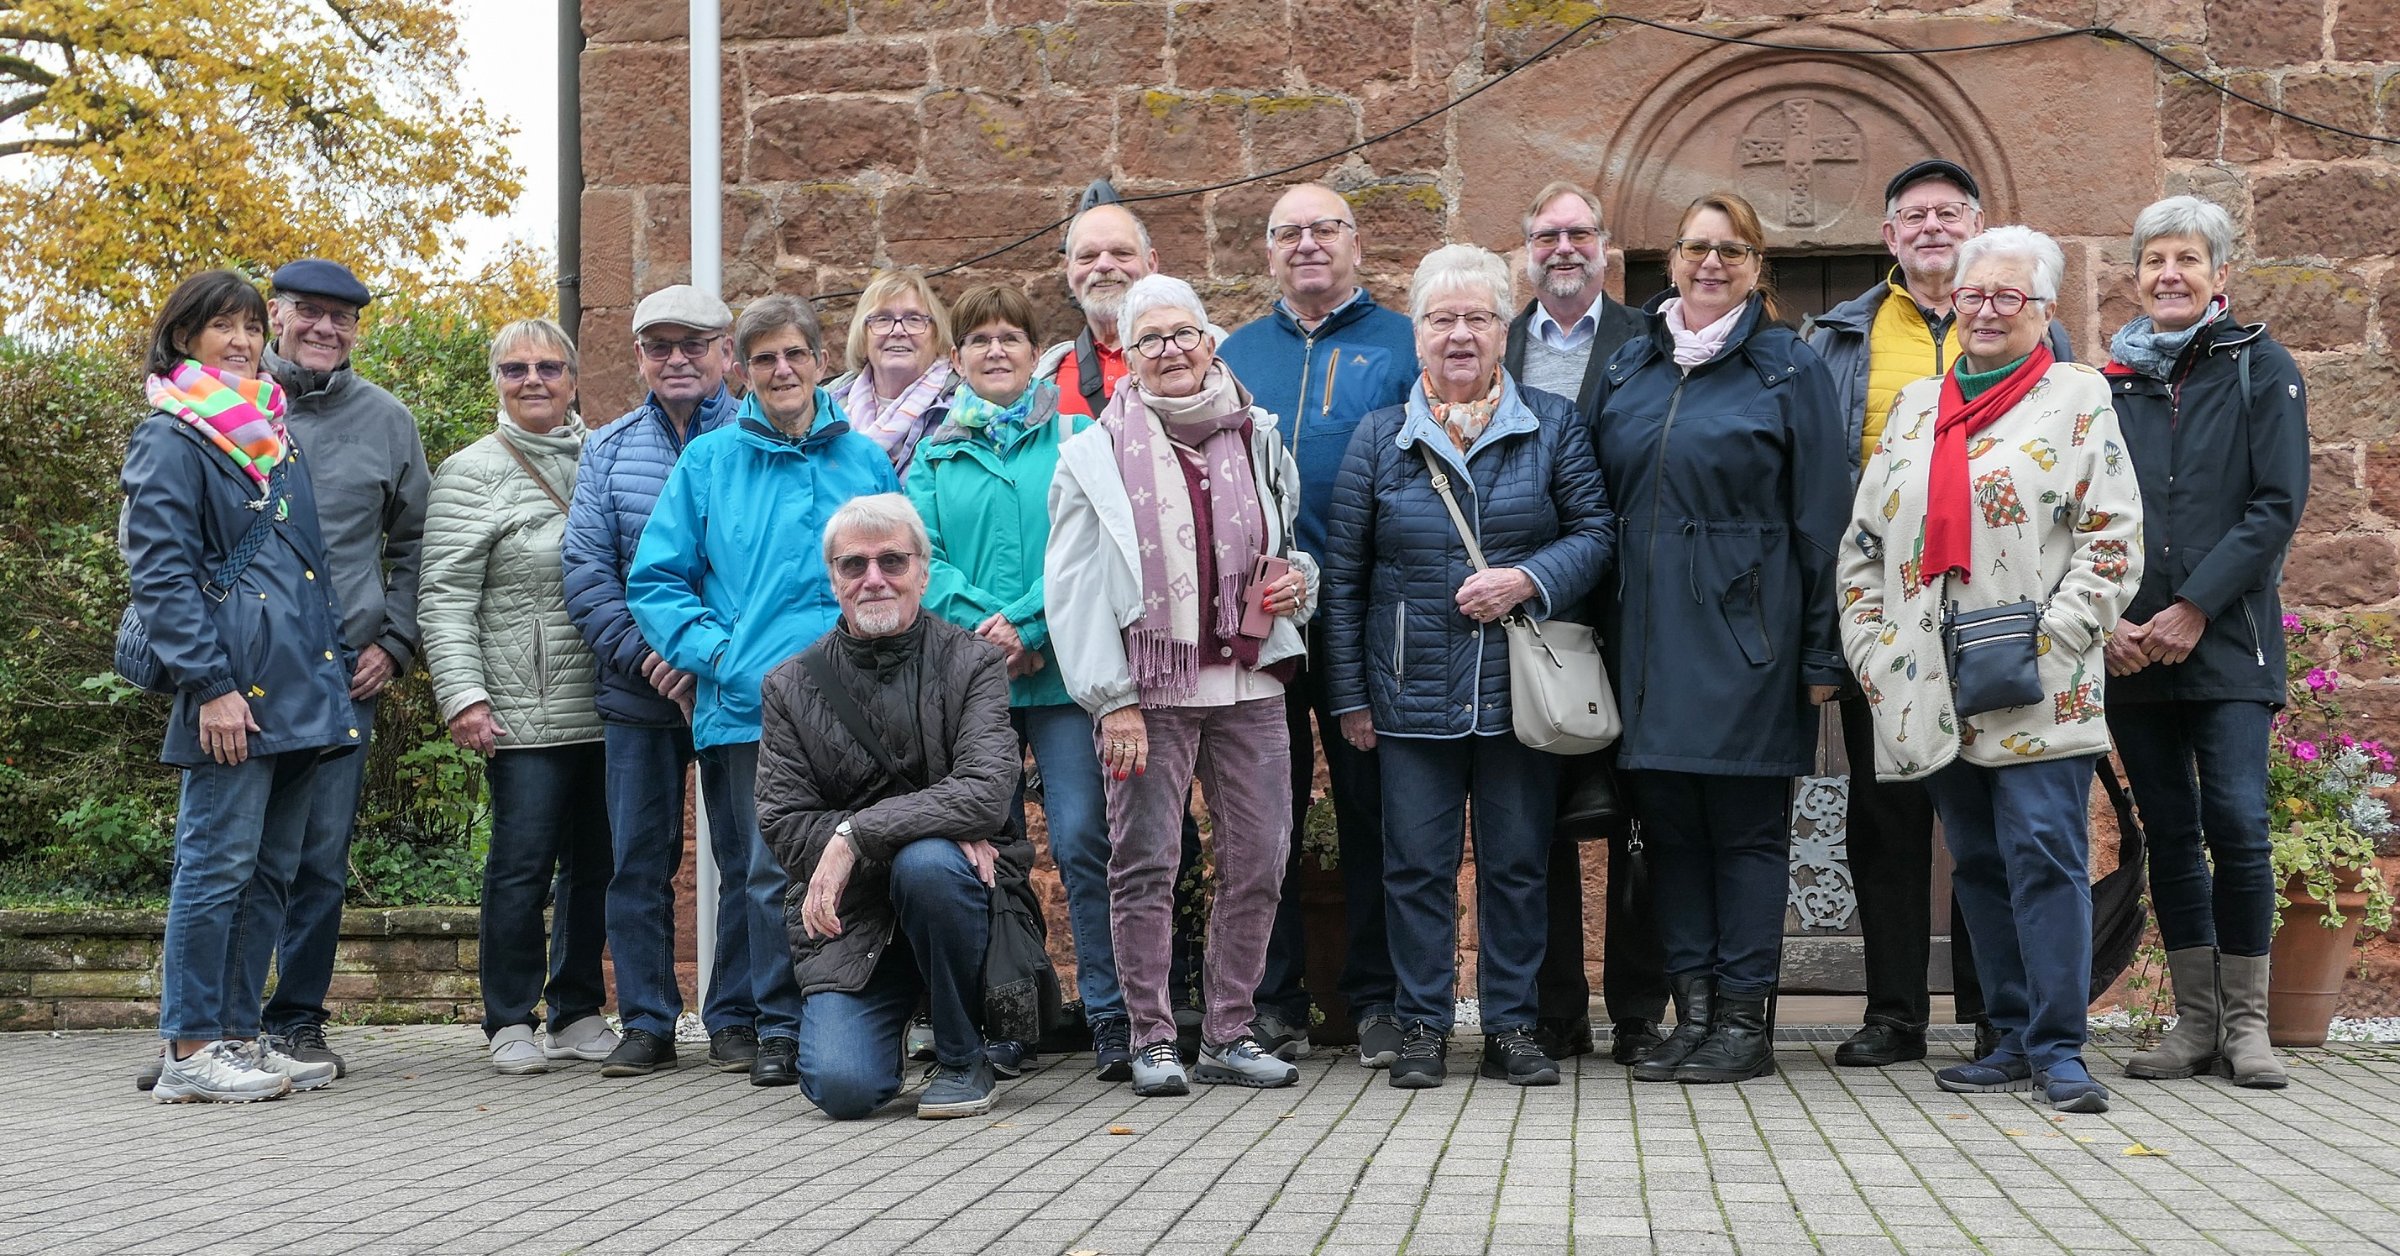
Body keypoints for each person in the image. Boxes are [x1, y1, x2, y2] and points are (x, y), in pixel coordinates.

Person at [1838, 225, 2144, 1114]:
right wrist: (1869, 646)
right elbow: (1863, 545)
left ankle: (2060, 1048)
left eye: (2009, 297)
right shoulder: (1916, 408)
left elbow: (2113, 541)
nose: (1986, 310)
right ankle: (2008, 1033)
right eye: (1974, 295)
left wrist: (2049, 645)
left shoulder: (2077, 396)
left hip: (2038, 680)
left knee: (2045, 854)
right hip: (1931, 682)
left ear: (2044, 312)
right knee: (1975, 860)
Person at [1322, 244, 1616, 1091]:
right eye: (1442, 320)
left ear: (1502, 330)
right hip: (1407, 697)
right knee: (1415, 869)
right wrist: (1350, 697)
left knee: (1518, 866)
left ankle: (1512, 1026)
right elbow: (1344, 580)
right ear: (1417, 338)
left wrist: (1528, 577)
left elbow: (1596, 534)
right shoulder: (1380, 437)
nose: (1460, 336)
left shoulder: (1551, 427)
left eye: (1477, 319)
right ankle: (1421, 1027)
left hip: (1519, 696)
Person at [1806, 160, 2071, 1068]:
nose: (1929, 228)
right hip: (1894, 621)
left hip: (2003, 625)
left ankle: (2000, 1018)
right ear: (1888, 238)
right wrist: (1851, 630)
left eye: (1947, 213)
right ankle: (1894, 1014)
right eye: (1911, 216)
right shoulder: (1838, 337)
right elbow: (1829, 497)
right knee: (1885, 823)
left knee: (1990, 822)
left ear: (1978, 227)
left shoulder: (2046, 343)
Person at [1591, 191, 1848, 1086]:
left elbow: (1824, 522)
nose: (1711, 264)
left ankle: (1745, 1022)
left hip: (1749, 642)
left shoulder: (1787, 368)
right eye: (1698, 248)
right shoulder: (1631, 368)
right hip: (1644, 644)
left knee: (1745, 836)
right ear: (1671, 261)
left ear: (1756, 267)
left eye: (1731, 252)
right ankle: (1691, 1016)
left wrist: (1822, 654)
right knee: (1668, 838)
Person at [1047, 274, 1314, 1097]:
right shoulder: (1092, 452)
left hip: (1250, 679)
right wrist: (1111, 698)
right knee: (1145, 865)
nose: (1171, 351)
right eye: (1151, 338)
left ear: (1210, 341)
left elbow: (1291, 542)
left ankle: (1231, 1031)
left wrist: (1298, 579)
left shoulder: (1258, 434)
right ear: (1127, 353)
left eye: (1184, 334)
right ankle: (1152, 1037)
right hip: (1148, 692)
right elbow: (1074, 586)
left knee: (1262, 859)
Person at [628, 294, 899, 1090]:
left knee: (865, 859)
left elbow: (906, 567)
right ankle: (776, 1024)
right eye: (766, 359)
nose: (784, 370)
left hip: (863, 705)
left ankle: (856, 1008)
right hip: (748, 708)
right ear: (741, 373)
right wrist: (726, 656)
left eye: (798, 355)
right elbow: (658, 581)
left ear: (821, 363)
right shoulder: (708, 463)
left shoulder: (864, 458)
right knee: (764, 871)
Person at [123, 270, 356, 1102]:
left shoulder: (270, 429)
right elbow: (162, 577)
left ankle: (237, 1036)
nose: (242, 340)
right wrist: (212, 685)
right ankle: (189, 1051)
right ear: (185, 337)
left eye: (252, 326)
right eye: (222, 325)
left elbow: (308, 572)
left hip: (298, 685)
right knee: (214, 869)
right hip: (233, 692)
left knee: (267, 875)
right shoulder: (171, 437)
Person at [2104, 196, 2311, 1091]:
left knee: (2237, 820)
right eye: (2155, 261)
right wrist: (2111, 619)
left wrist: (2193, 607)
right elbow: (2083, 512)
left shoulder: (2263, 369)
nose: (2170, 276)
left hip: (2225, 644)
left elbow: (2275, 506)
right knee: (2170, 832)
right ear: (2138, 275)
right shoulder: (2108, 383)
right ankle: (2194, 1025)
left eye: (2187, 260)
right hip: (2133, 648)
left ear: (2220, 274)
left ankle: (2250, 1027)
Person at [903, 284, 1131, 1081]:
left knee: (1082, 841)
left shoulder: (1078, 435)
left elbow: (1096, 542)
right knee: (985, 853)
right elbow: (922, 561)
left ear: (1038, 353)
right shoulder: (931, 454)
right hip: (974, 687)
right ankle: (1004, 1017)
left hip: (1065, 675)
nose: (995, 351)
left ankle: (1112, 1013)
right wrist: (990, 634)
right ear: (956, 359)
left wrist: (1029, 627)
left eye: (1010, 337)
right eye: (978, 340)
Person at [1216, 182, 1416, 1068]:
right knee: (1265, 814)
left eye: (1323, 228)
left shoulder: (1402, 343)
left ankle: (1377, 998)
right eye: (1287, 232)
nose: (1306, 244)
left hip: (1365, 616)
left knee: (1377, 811)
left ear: (1355, 243)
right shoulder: (1235, 354)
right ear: (1266, 252)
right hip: (1259, 624)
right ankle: (1273, 1000)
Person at [757, 494, 1027, 1120]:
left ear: (924, 572)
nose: (874, 579)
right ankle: (896, 1018)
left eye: (892, 562)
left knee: (930, 866)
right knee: (843, 1091)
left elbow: (987, 791)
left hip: (959, 902)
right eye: (854, 565)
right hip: (853, 921)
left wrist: (856, 836)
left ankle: (963, 1056)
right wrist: (930, 825)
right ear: (833, 579)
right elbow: (786, 826)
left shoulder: (975, 663)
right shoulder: (789, 687)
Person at [561, 285, 763, 1080]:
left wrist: (709, 658)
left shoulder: (759, 440)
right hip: (639, 693)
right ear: (640, 357)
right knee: (637, 860)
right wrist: (651, 657)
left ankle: (738, 1016)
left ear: (725, 355)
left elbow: (770, 570)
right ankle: (646, 1019)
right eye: (659, 346)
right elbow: (585, 572)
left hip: (735, 687)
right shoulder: (607, 451)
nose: (677, 359)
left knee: (747, 857)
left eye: (694, 344)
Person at [418, 318, 617, 1075]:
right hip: (522, 710)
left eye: (548, 367)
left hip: (608, 706)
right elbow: (443, 597)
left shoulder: (603, 456)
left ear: (572, 378)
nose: (532, 380)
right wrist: (463, 695)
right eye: (515, 369)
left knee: (597, 867)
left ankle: (575, 1011)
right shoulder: (470, 472)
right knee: (521, 866)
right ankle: (509, 1018)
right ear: (496, 382)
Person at [1501, 179, 1665, 1067]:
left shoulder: (1650, 339)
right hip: (1538, 613)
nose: (1562, 248)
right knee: (1539, 818)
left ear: (1605, 246)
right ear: (1526, 248)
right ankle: (1554, 1007)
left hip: (1636, 608)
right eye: (1545, 233)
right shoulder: (1501, 344)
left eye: (1578, 233)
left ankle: (1639, 1009)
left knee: (1639, 821)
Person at [256, 259, 429, 1078]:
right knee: (230, 855)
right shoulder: (228, 404)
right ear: (276, 316)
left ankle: (296, 1019)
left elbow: (417, 542)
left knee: (318, 860)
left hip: (339, 676)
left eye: (344, 318)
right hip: (243, 670)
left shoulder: (388, 421)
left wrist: (393, 643)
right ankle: (211, 1020)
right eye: (311, 313)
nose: (327, 329)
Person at [827, 269, 955, 477]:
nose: (897, 331)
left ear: (936, 334)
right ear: (863, 335)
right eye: (882, 319)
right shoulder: (827, 408)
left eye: (913, 319)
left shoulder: (961, 408)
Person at [1036, 203, 1159, 418]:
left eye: (1121, 253)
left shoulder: (1200, 356)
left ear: (1151, 263)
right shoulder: (1043, 379)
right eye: (1087, 256)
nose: (1103, 265)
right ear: (1069, 271)